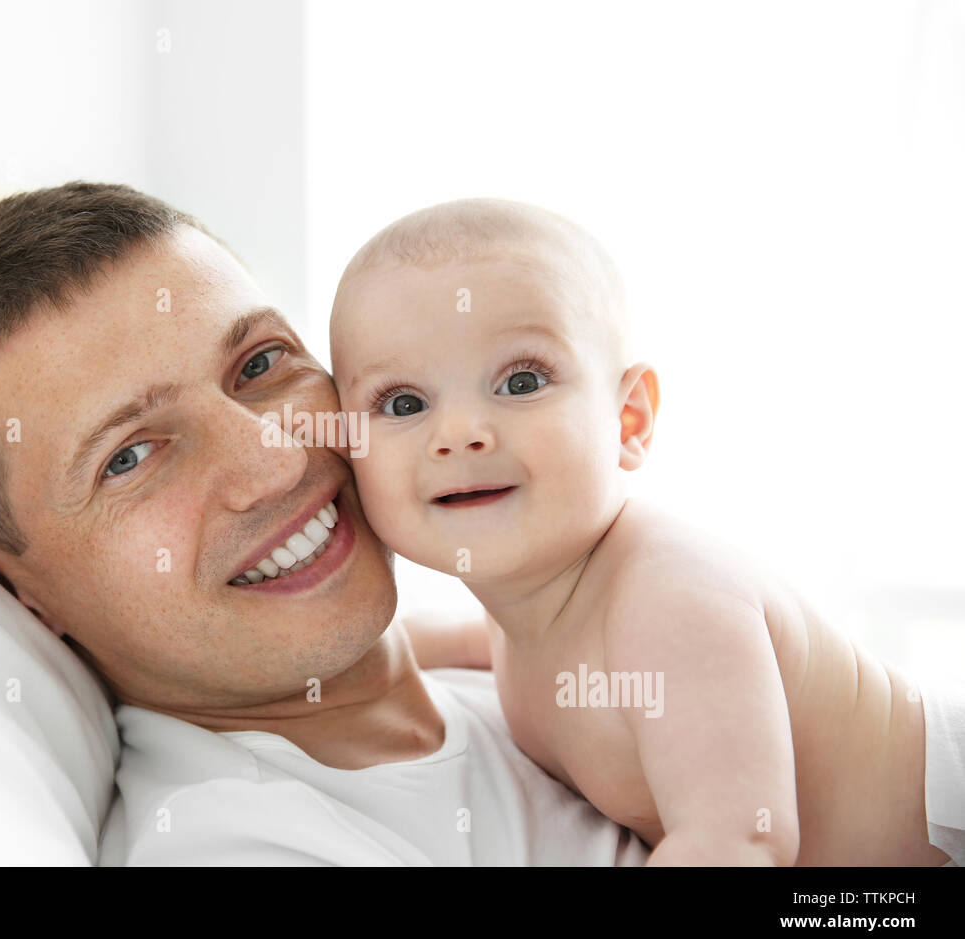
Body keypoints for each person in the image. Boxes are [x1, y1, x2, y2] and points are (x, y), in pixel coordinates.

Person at [0, 182, 650, 864]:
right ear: (17, 590)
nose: (278, 461)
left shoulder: (527, 666)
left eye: (258, 365)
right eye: (129, 457)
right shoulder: (240, 845)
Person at [327, 197, 964, 866]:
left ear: (627, 420)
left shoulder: (668, 603)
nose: (458, 434)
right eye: (404, 404)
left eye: (520, 382)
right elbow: (419, 643)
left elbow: (740, 841)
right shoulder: (525, 615)